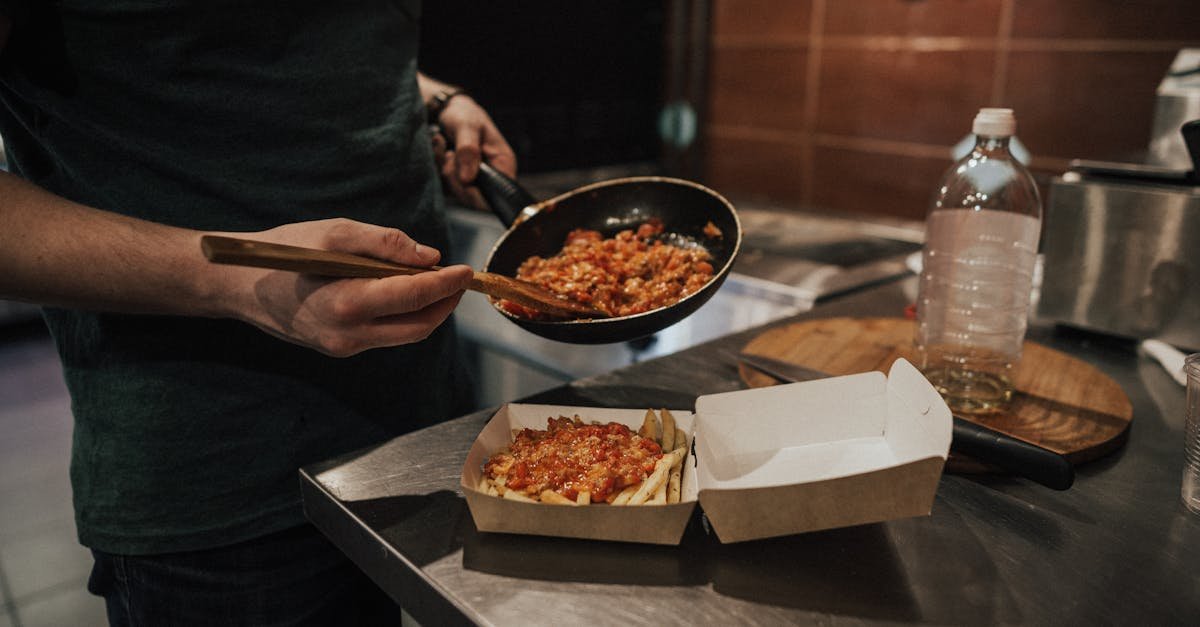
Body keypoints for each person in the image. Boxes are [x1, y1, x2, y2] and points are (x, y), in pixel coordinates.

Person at [0, 2, 516, 624]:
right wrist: (230, 280)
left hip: (426, 430)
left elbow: (289, 46)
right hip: (225, 481)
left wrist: (432, 99)